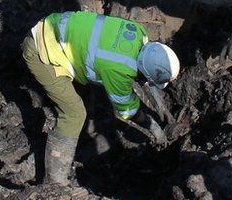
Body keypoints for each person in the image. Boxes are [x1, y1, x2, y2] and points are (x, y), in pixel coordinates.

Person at [22, 11, 180, 184]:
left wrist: (158, 105)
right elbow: (127, 110)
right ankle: (55, 182)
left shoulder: (138, 31)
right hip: (42, 52)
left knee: (88, 87)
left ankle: (82, 137)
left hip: (54, 25)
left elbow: (141, 71)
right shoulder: (117, 70)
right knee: (74, 113)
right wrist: (152, 126)